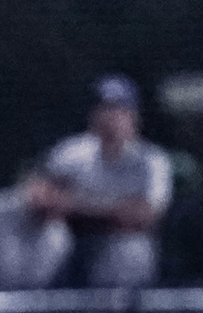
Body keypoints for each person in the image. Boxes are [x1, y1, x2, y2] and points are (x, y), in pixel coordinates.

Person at [46, 76, 173, 287]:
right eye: (103, 108)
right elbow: (42, 201)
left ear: (134, 116)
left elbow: (145, 216)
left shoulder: (151, 159)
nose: (109, 116)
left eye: (117, 108)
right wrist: (114, 212)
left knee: (131, 247)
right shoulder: (71, 152)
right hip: (74, 243)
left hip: (119, 249)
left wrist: (77, 209)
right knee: (51, 236)